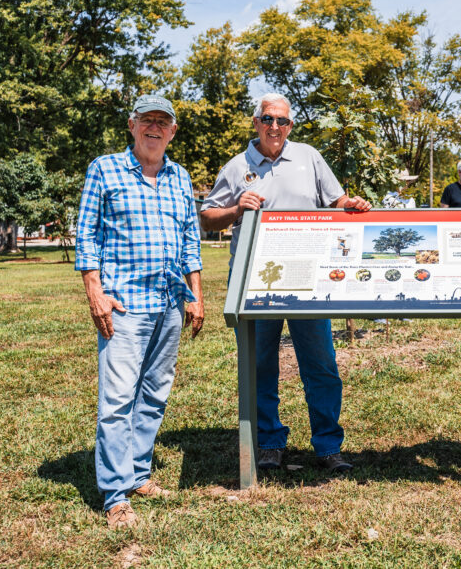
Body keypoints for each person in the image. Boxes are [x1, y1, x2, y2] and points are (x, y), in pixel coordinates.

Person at [200, 93, 371, 473]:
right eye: (267, 119)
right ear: (256, 121)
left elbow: (335, 200)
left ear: (291, 124)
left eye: (282, 121)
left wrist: (352, 205)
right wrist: (235, 209)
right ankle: (269, 443)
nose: (274, 127)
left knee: (321, 363)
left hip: (309, 279)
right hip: (255, 282)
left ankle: (327, 446)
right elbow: (207, 218)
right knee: (259, 364)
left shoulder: (309, 157)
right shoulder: (236, 167)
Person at [75, 94, 204, 530]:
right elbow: (86, 234)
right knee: (116, 400)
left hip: (169, 303)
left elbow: (190, 237)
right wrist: (95, 290)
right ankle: (115, 495)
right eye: (146, 120)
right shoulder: (105, 168)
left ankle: (138, 474)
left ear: (172, 131)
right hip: (124, 304)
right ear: (132, 126)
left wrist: (195, 293)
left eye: (161, 122)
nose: (154, 128)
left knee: (153, 395)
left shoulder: (179, 176)